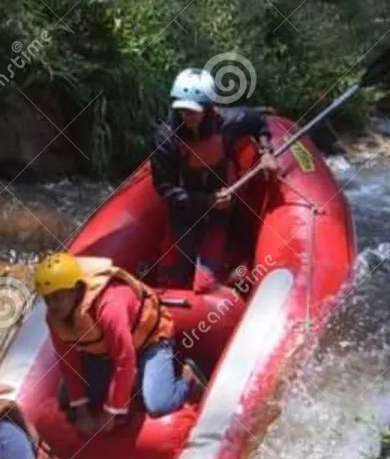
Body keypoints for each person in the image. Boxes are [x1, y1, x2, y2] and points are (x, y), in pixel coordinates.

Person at [34, 251, 204, 435]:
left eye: (58, 297)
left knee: (158, 404)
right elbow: (68, 362)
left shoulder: (109, 308)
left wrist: (110, 414)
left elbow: (124, 360)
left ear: (75, 289)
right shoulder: (55, 318)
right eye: (47, 298)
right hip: (106, 353)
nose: (52, 305)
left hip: (150, 343)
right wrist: (82, 412)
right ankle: (133, 387)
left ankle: (189, 380)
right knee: (67, 398)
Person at [150, 66, 279, 292]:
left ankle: (237, 269)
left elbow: (258, 122)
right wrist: (207, 200)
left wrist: (267, 151)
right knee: (171, 281)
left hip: (218, 215)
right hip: (184, 214)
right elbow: (164, 187)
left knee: (203, 285)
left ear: (209, 108)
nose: (187, 116)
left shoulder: (228, 122)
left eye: (194, 111)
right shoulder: (165, 138)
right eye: (182, 110)